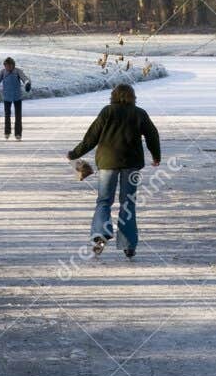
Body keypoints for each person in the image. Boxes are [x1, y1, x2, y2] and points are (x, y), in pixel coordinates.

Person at [66, 82, 161, 259]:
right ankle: (129, 244)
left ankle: (100, 234)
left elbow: (91, 137)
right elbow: (152, 135)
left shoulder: (107, 112)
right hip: (131, 164)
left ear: (114, 96)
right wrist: (156, 156)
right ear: (132, 96)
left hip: (108, 162)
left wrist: (74, 153)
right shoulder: (139, 113)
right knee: (128, 203)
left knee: (104, 200)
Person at [0, 56, 31, 140]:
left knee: (18, 116)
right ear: (4, 66)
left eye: (10, 65)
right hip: (6, 97)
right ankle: (7, 132)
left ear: (13, 65)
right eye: (6, 65)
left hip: (17, 97)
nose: (8, 67)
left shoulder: (17, 71)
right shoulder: (2, 72)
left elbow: (25, 78)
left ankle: (18, 134)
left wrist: (27, 84)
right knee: (7, 115)